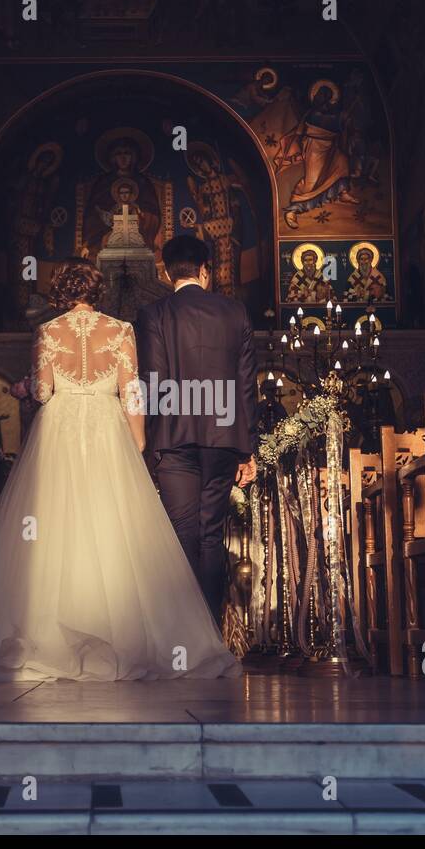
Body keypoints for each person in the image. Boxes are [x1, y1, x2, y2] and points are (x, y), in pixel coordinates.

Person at [0, 259, 239, 682]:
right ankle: (135, 639)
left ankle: (47, 635)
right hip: (107, 429)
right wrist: (138, 443)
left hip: (59, 430)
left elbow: (42, 390)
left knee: (52, 526)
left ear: (61, 293)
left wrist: (24, 387)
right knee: (112, 525)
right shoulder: (121, 330)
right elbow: (132, 392)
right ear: (97, 292)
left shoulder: (48, 331)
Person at [136, 235, 258, 625]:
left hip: (173, 438)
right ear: (206, 270)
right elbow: (245, 384)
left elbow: (152, 380)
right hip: (223, 438)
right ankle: (209, 633)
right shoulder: (235, 311)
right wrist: (247, 448)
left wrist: (150, 442)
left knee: (181, 535)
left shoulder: (154, 313)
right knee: (210, 535)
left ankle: (183, 637)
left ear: (166, 272)